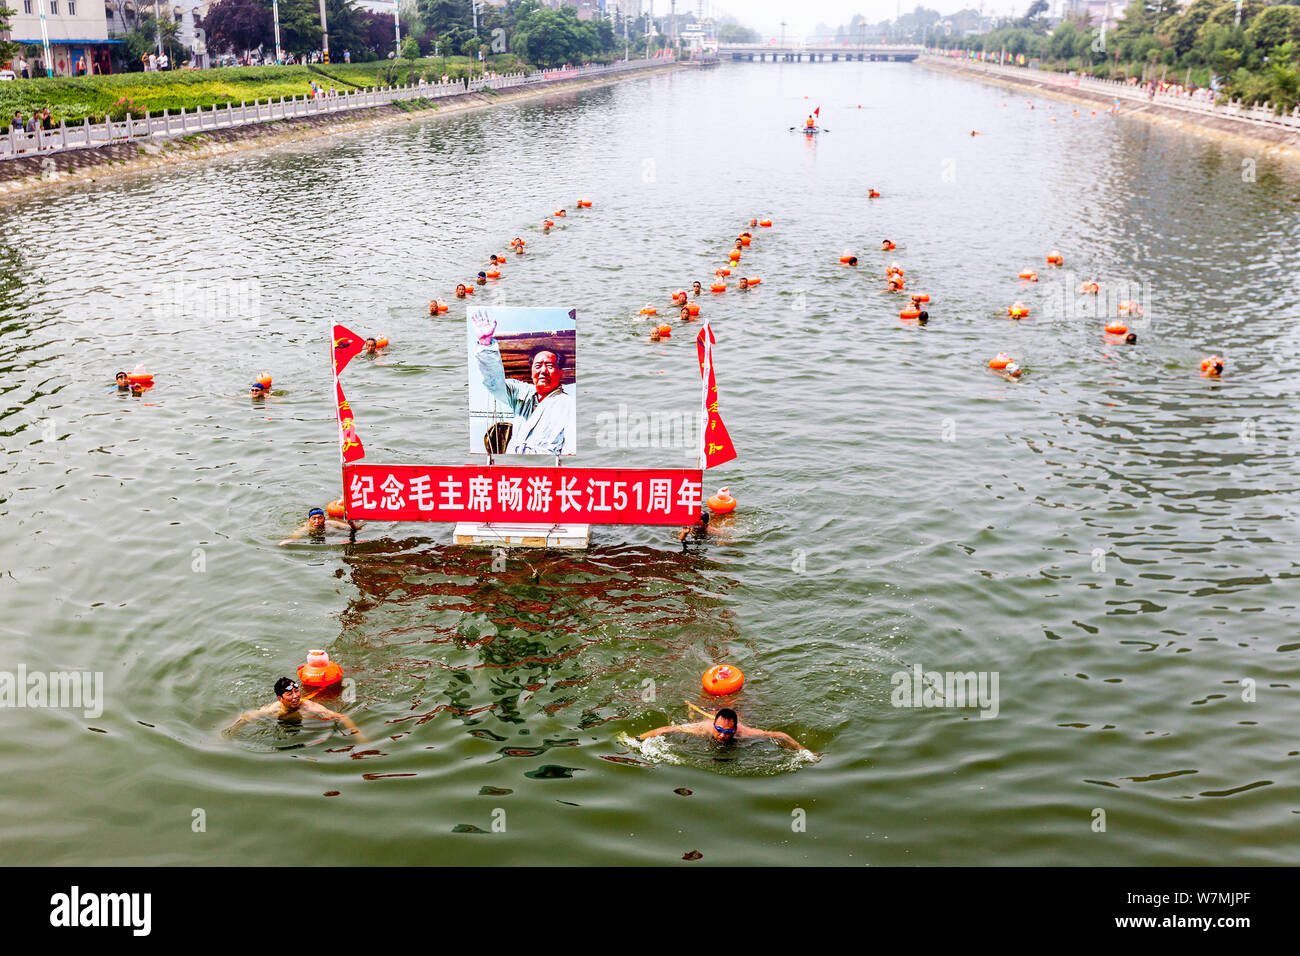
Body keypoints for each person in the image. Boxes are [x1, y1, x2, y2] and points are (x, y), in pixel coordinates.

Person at [471, 312, 575, 455]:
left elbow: (571, 449)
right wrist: (485, 344)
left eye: (550, 366)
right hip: (513, 465)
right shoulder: (522, 394)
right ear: (531, 372)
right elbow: (494, 383)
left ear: (560, 372)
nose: (543, 370)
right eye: (538, 366)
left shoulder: (569, 405)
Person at [224, 677, 366, 741]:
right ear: (280, 698)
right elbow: (245, 717)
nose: (295, 696)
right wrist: (228, 732)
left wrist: (359, 735)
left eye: (297, 692)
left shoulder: (308, 706)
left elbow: (342, 717)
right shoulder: (272, 709)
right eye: (289, 694)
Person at [638, 707, 808, 750]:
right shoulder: (702, 728)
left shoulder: (744, 733)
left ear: (734, 730)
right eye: (718, 730)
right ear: (713, 726)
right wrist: (639, 739)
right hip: (709, 710)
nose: (721, 735)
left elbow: (778, 735)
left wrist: (803, 750)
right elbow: (668, 729)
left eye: (727, 732)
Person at [278, 507, 364, 545]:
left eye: (320, 518)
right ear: (309, 520)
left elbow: (352, 528)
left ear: (324, 519)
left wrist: (352, 524)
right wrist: (288, 541)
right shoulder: (306, 527)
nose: (317, 521)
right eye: (313, 518)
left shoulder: (331, 523)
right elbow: (296, 535)